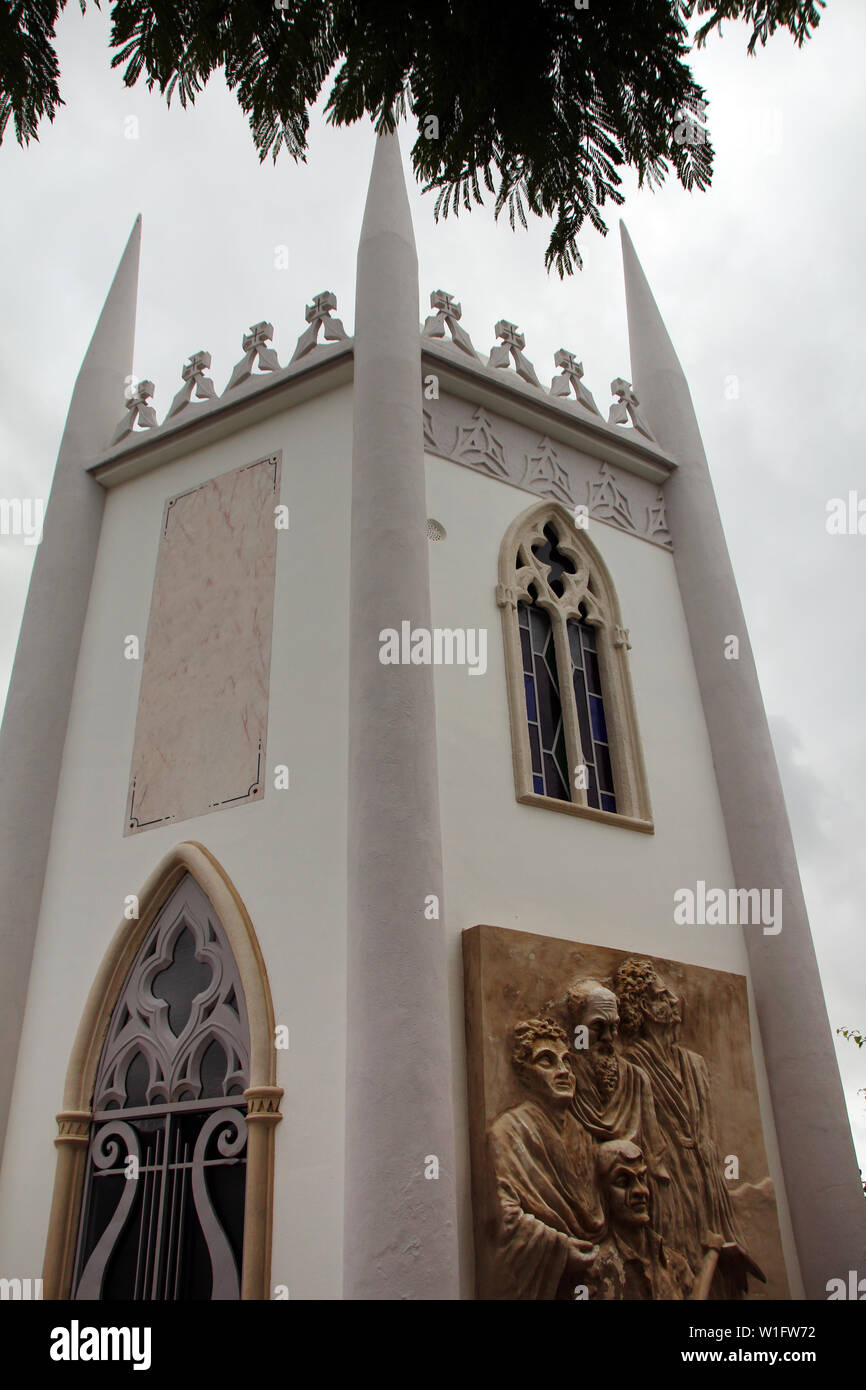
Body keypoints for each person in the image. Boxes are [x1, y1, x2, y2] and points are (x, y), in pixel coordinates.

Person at [486, 1018, 605, 1299]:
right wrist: (561, 1249)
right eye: (547, 1062)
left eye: (567, 1062)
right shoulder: (507, 1132)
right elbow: (503, 1218)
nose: (563, 1071)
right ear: (525, 1073)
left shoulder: (584, 1138)